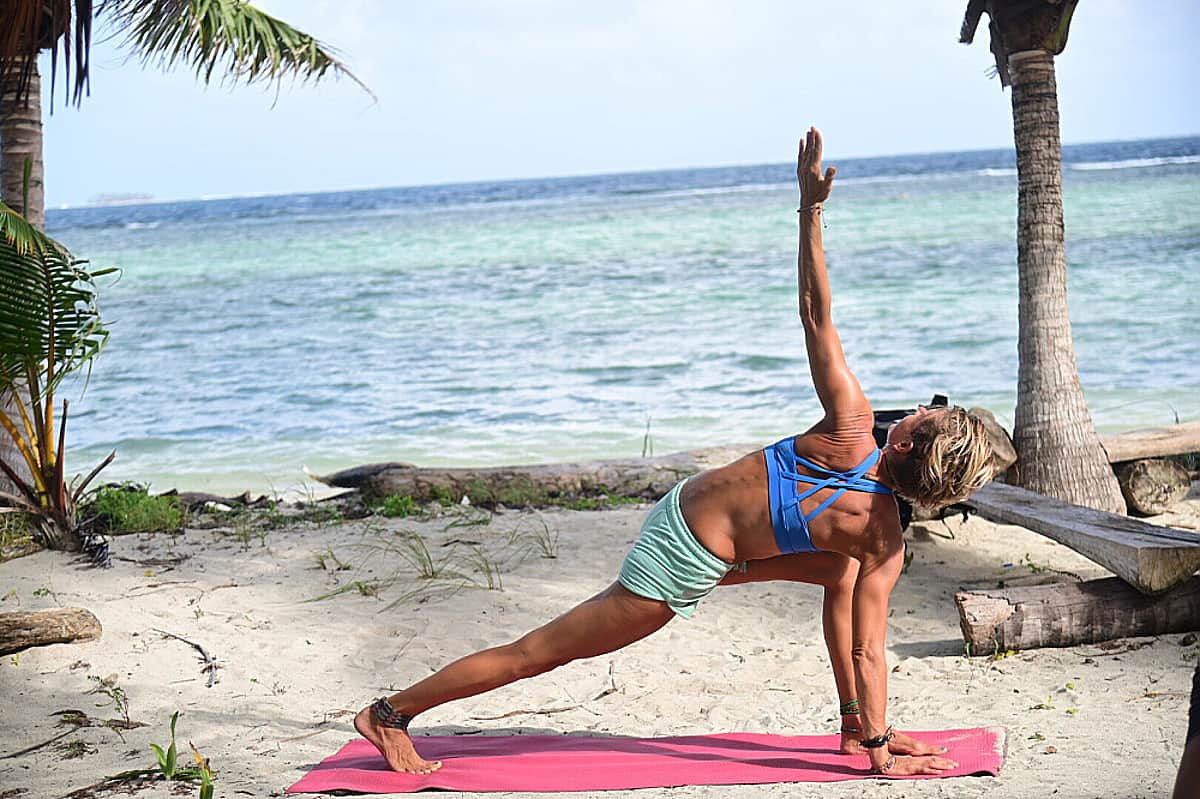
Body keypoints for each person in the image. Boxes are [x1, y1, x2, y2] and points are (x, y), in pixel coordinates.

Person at [354, 127, 995, 777]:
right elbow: (871, 649)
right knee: (543, 650)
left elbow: (815, 312)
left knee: (838, 571)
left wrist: (810, 209)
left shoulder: (852, 434)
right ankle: (392, 712)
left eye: (924, 410)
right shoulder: (883, 533)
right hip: (687, 549)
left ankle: (857, 729)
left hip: (693, 526)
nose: (916, 404)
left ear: (908, 439)